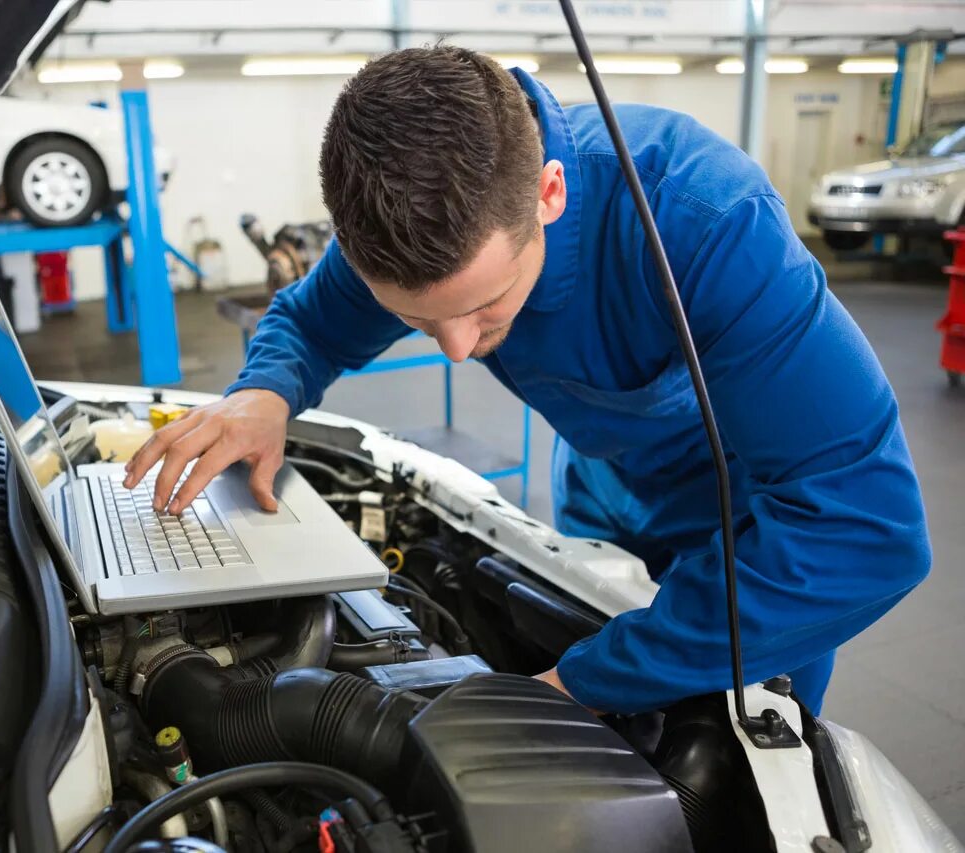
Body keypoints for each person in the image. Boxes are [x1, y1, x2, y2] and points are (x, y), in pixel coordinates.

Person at [122, 46, 931, 715]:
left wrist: (579, 683)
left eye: (484, 305)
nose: (458, 350)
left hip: (754, 529)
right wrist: (264, 393)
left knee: (736, 747)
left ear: (550, 192)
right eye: (418, 319)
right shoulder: (408, 222)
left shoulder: (705, 221)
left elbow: (863, 527)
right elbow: (309, 321)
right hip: (598, 490)